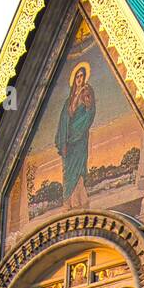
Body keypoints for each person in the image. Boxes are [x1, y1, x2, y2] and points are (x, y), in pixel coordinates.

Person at [57, 62, 96, 208]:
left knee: (78, 168)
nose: (79, 79)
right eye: (77, 76)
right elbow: (67, 116)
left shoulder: (86, 92)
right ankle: (70, 201)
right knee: (68, 170)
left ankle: (80, 200)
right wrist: (63, 141)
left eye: (81, 76)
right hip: (69, 139)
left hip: (80, 138)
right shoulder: (69, 99)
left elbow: (89, 110)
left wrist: (85, 101)